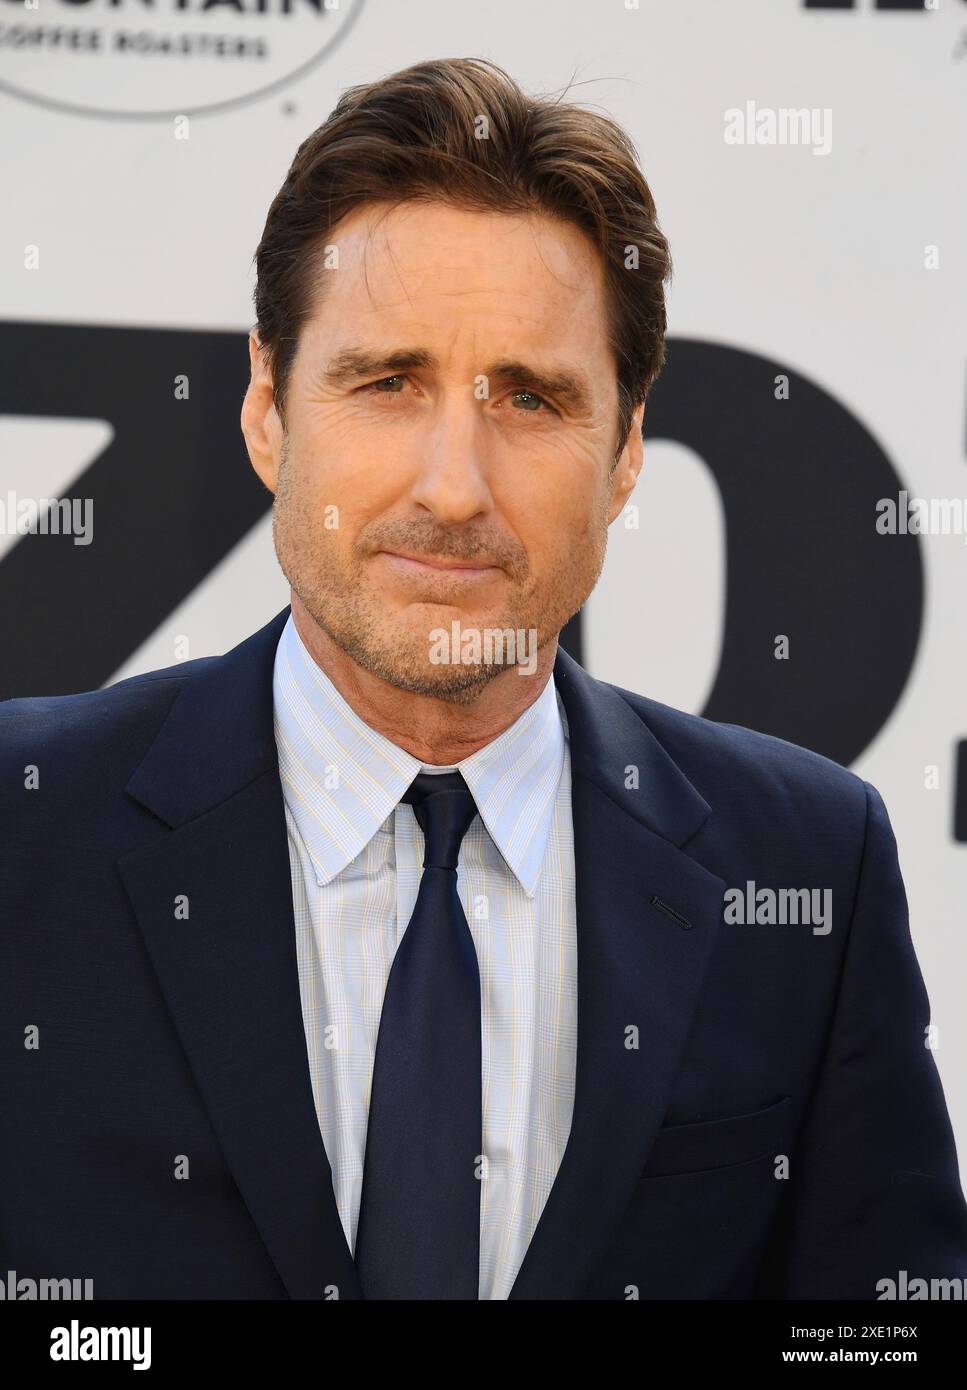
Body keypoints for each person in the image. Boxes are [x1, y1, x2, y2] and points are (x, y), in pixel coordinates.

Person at [1, 57, 965, 1302]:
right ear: (265, 412)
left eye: (530, 396)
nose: (452, 485)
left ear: (622, 457)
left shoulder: (805, 863)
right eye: (387, 381)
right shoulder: (22, 825)